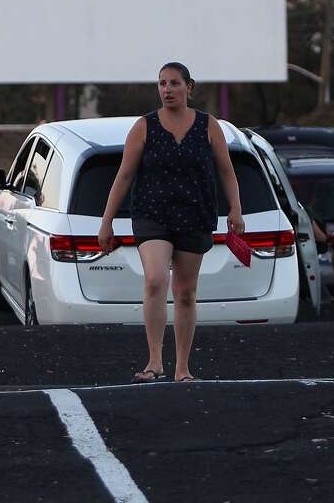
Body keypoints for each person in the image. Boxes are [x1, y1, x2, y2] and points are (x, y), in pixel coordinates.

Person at [97, 62, 244, 383]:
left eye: (174, 83)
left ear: (189, 87)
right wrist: (106, 221)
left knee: (186, 292)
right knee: (155, 279)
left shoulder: (209, 125)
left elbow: (227, 171)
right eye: (162, 83)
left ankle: (182, 368)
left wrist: (236, 208)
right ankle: (154, 362)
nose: (167, 89)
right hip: (152, 214)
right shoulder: (144, 126)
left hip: (195, 214)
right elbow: (124, 176)